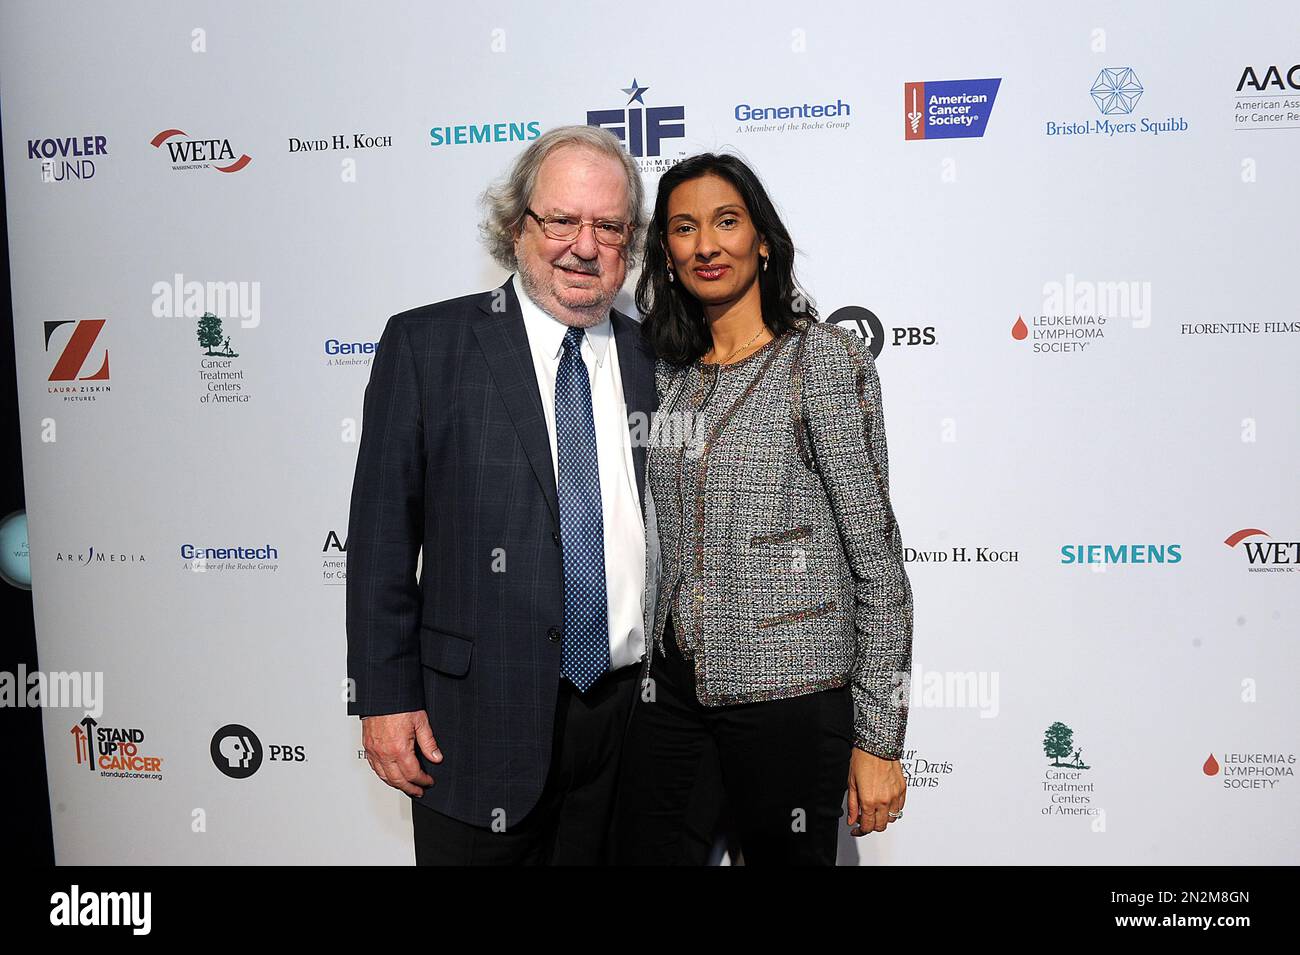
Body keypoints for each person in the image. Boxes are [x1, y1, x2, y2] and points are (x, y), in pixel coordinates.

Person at [345, 125, 656, 864]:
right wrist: (385, 695)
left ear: (629, 242)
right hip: (473, 721)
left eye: (609, 227)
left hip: (623, 729)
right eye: (562, 221)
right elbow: (383, 537)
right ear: (518, 226)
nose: (585, 245)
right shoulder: (429, 346)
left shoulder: (656, 358)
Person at [613, 152, 914, 865]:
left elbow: (878, 564)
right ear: (667, 251)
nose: (706, 244)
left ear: (764, 239)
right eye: (684, 228)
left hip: (793, 693)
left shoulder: (823, 361)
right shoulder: (670, 374)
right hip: (675, 689)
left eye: (726, 221)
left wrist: (879, 739)